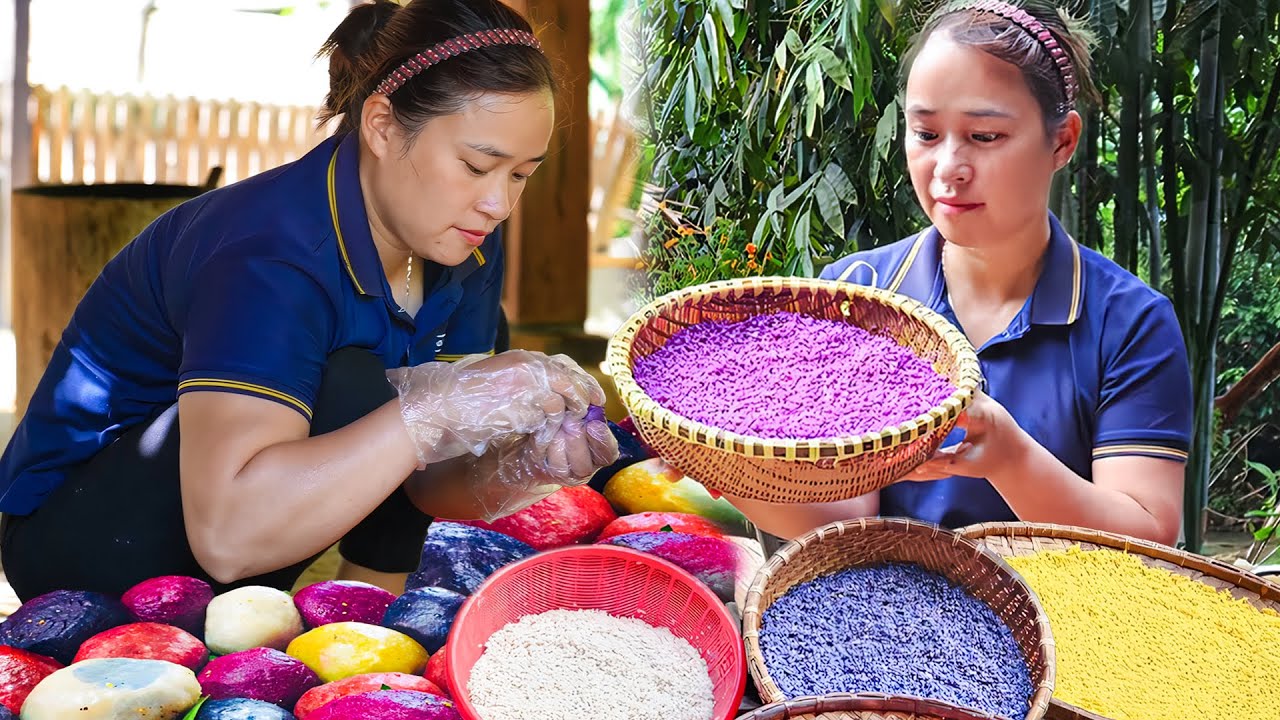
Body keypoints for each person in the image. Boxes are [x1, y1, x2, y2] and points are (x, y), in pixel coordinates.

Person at [0, 0, 618, 601]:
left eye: (520, 175)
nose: (497, 203)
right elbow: (228, 539)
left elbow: (431, 481)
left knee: (418, 395)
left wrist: (525, 465)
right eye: (476, 165)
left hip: (239, 516)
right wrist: (437, 411)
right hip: (83, 536)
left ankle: (362, 618)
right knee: (361, 383)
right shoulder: (270, 254)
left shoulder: (465, 238)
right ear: (381, 125)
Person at [731, 0, 1192, 546]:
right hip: (879, 618)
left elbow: (1148, 538)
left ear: (1062, 141)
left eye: (984, 137)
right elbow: (842, 517)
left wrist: (1008, 456)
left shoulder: (1130, 324)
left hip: (1061, 625)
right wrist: (729, 471)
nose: (949, 168)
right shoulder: (855, 294)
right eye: (926, 134)